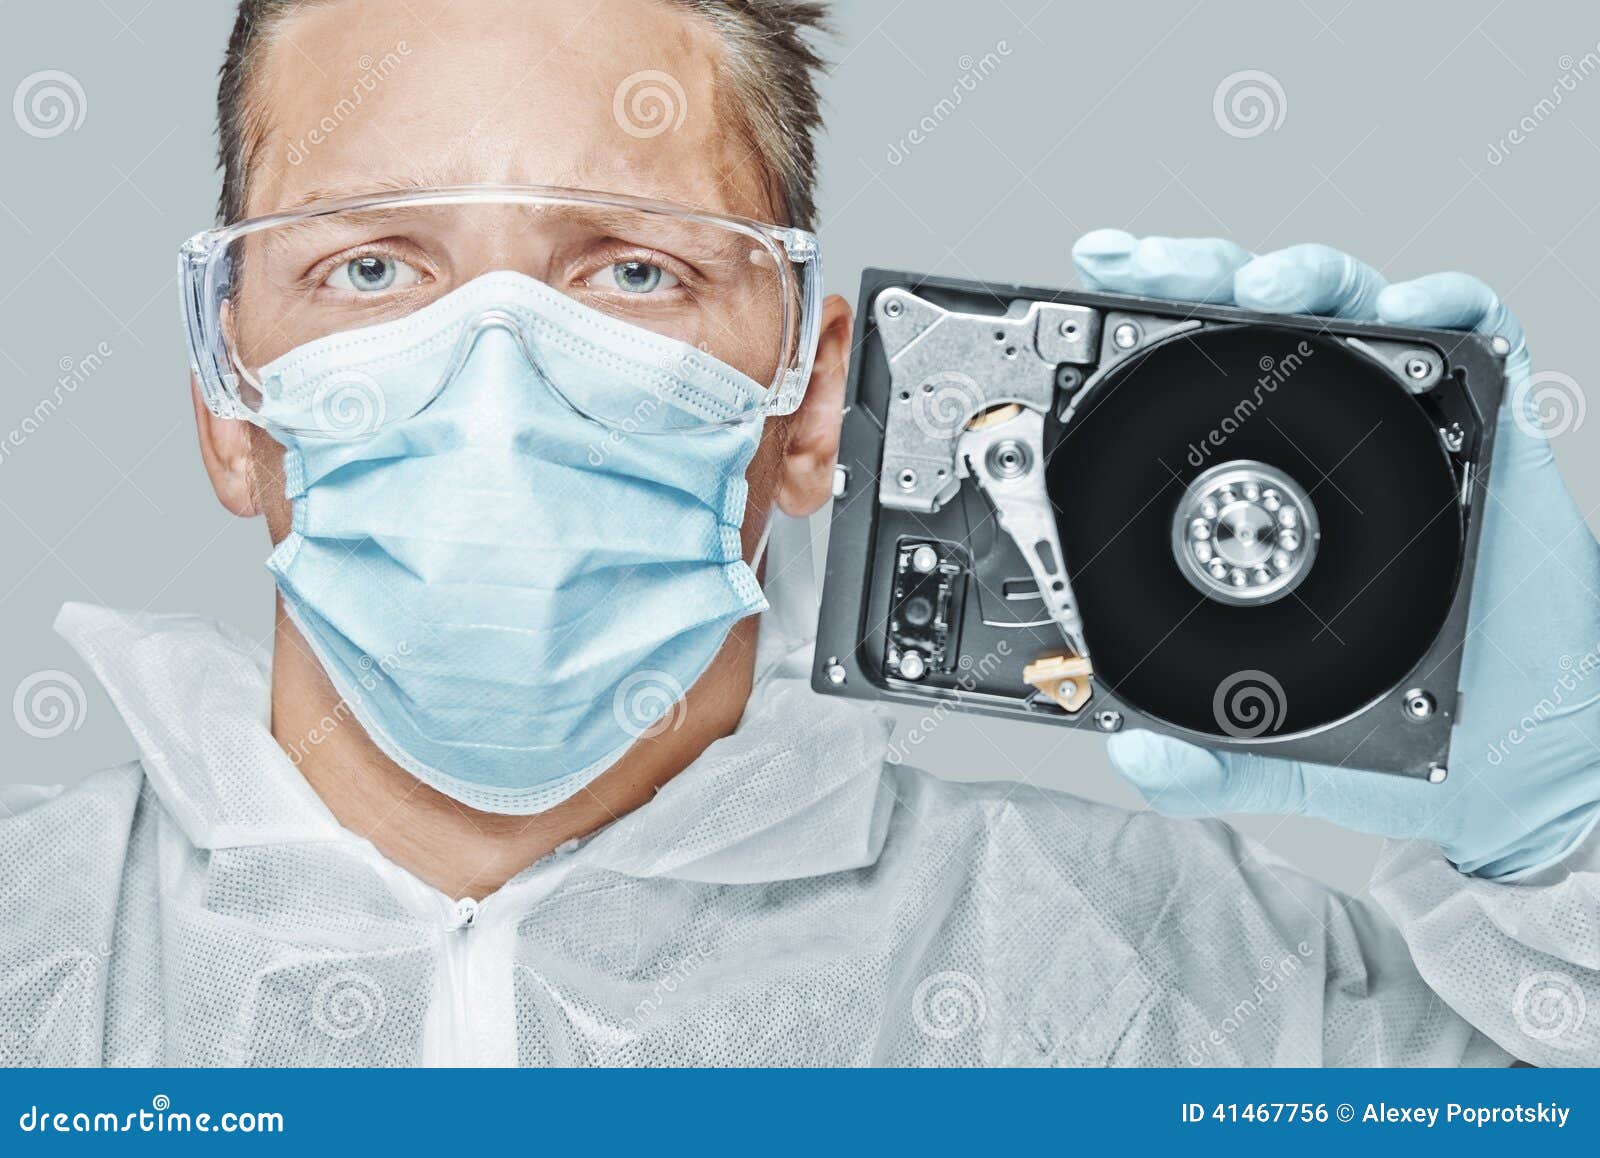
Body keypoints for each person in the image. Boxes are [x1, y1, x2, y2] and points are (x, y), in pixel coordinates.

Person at [2, 0, 1596, 1067]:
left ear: (812, 397)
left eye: (634, 268)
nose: (499, 376)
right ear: (224, 392)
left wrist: (1562, 840)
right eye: (370, 268)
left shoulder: (1157, 970)